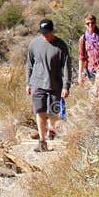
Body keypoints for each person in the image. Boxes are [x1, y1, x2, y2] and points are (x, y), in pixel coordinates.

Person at [25, 18, 70, 152]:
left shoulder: (60, 46)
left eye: (47, 32)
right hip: (37, 83)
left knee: (53, 112)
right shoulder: (34, 44)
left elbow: (67, 67)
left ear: (52, 31)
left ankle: (51, 128)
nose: (45, 35)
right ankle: (42, 141)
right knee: (40, 111)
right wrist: (28, 82)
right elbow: (29, 64)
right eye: (43, 32)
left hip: (55, 84)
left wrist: (66, 86)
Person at [78, 14, 99, 86]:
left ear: (95, 23)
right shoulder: (83, 39)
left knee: (96, 92)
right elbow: (81, 58)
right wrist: (80, 75)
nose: (90, 25)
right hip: (89, 69)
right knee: (92, 93)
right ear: (85, 25)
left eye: (92, 23)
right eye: (88, 23)